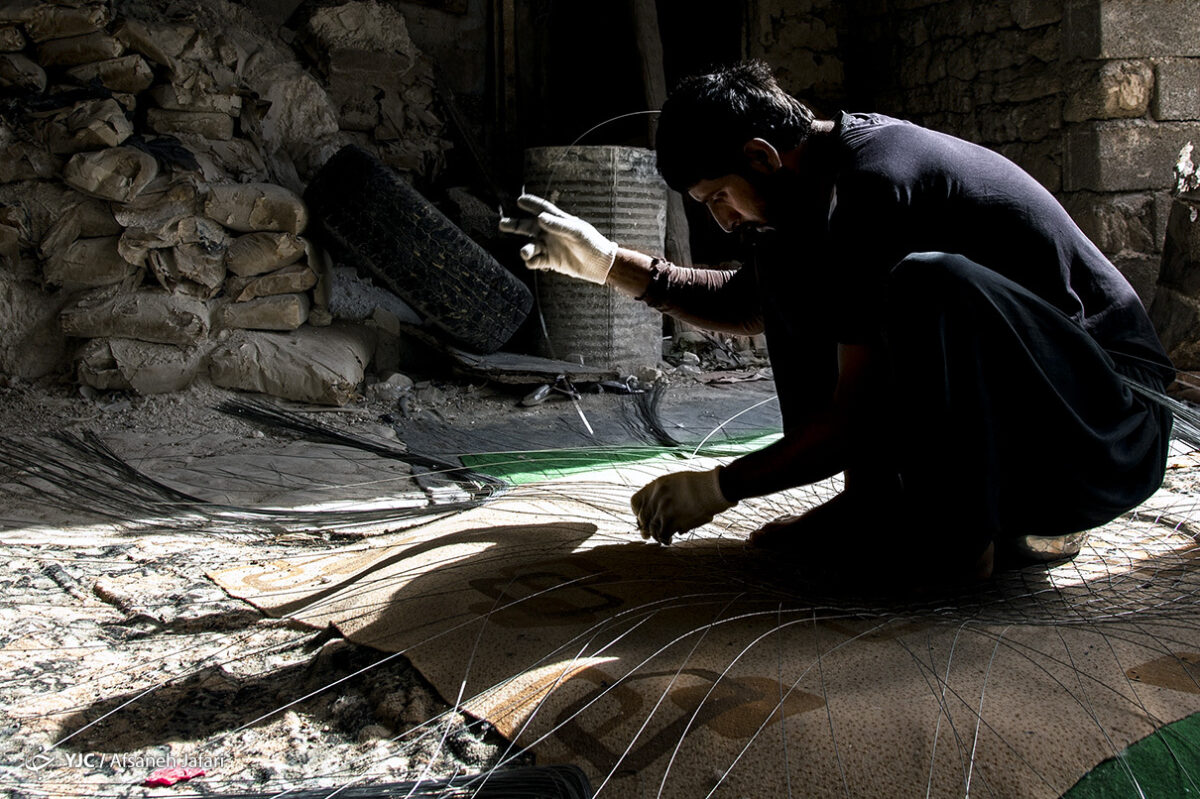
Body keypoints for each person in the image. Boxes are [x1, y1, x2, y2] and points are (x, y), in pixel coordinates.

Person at [499, 60, 1174, 581]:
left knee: (929, 283)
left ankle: (954, 538)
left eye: (718, 197)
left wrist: (723, 485)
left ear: (762, 157)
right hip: (1038, 429)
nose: (722, 218)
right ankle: (884, 505)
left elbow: (855, 415)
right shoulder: (815, 192)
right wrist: (608, 261)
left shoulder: (876, 184)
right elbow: (750, 303)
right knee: (789, 262)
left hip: (1108, 429)